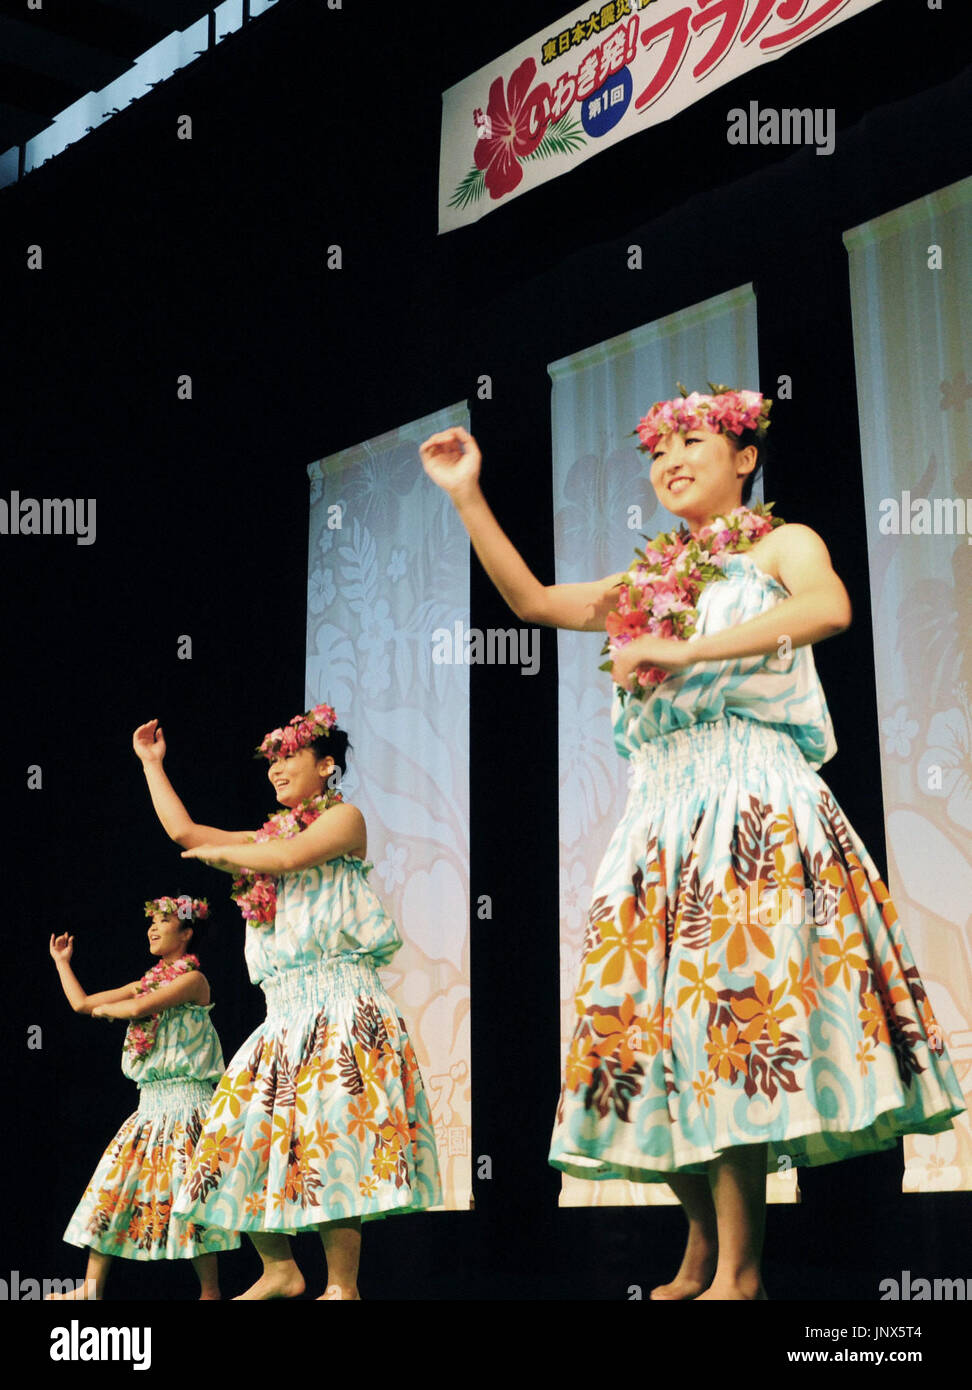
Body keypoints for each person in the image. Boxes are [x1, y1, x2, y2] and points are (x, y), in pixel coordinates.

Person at [420, 389, 965, 1301]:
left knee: (731, 1022)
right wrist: (466, 493)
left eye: (694, 441)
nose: (670, 459)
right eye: (657, 450)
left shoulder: (777, 544)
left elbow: (828, 610)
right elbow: (533, 600)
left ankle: (742, 1272)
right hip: (658, 812)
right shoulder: (646, 584)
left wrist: (690, 655)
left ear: (744, 457)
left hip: (751, 795)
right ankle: (703, 1247)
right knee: (641, 1033)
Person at [132, 704, 442, 1300]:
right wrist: (152, 764)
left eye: (289, 757)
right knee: (227, 1137)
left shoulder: (344, 821)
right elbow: (185, 833)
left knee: (335, 1142)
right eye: (271, 762)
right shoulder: (267, 837)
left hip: (342, 1004)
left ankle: (342, 1287)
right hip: (283, 1014)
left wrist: (224, 853)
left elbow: (286, 860)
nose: (275, 771)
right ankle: (280, 1268)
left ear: (326, 766)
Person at [49, 896, 236, 1299]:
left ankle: (210, 1292)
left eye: (164, 921)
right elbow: (82, 1004)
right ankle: (90, 1290)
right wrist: (62, 962)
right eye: (151, 922)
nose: (152, 928)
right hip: (150, 1106)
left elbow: (139, 1008)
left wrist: (111, 1012)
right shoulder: (147, 979)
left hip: (189, 1106)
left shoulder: (193, 981)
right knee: (112, 1185)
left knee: (192, 1198)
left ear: (186, 933)